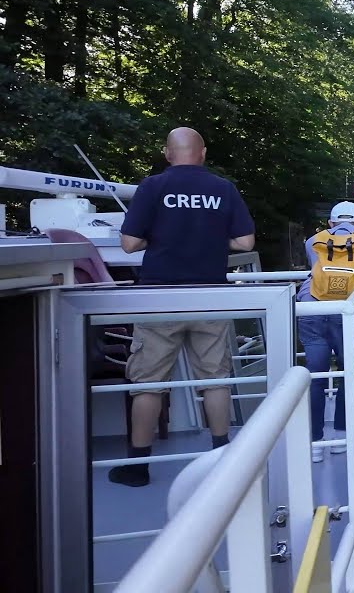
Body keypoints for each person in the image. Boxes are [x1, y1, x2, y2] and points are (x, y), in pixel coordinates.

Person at [109, 127, 256, 487]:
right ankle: (221, 456)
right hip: (210, 297)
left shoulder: (152, 187)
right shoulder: (223, 188)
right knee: (216, 379)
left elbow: (128, 244)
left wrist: (159, 235)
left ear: (167, 152)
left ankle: (138, 467)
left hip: (161, 298)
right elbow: (244, 241)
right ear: (202, 153)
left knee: (148, 384)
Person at [299, 202, 354, 462]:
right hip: (346, 310)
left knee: (315, 374)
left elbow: (317, 272)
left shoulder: (314, 240)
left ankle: (314, 441)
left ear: (330, 224)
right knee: (347, 373)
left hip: (311, 308)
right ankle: (340, 435)